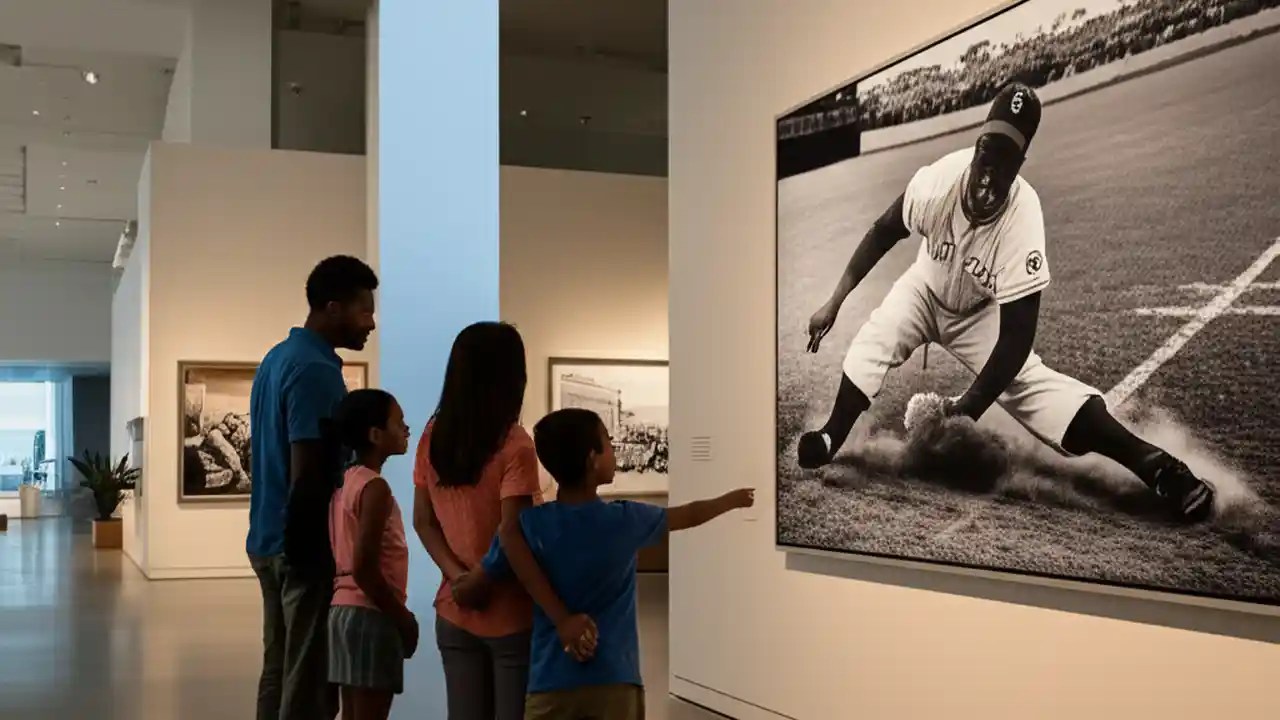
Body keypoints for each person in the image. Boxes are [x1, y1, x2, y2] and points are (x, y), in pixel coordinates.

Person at [799, 81, 1215, 522]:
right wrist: (835, 300)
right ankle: (830, 437)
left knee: (1035, 388)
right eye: (986, 154)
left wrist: (965, 410)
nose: (989, 173)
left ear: (1019, 165)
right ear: (976, 144)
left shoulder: (1023, 216)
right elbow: (884, 231)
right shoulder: (936, 182)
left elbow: (1016, 339)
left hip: (978, 316)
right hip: (923, 288)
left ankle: (1156, 465)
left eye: (1004, 162)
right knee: (876, 336)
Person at [494, 408, 754, 719]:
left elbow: (491, 568)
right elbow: (688, 514)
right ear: (593, 459)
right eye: (608, 442)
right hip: (615, 679)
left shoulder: (530, 525)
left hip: (550, 681)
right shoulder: (624, 519)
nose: (615, 450)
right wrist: (731, 500)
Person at [412, 321, 593, 720]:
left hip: (454, 606)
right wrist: (480, 579)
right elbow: (514, 531)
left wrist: (458, 576)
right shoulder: (515, 443)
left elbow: (423, 521)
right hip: (510, 612)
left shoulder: (432, 435)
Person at [247, 255, 378, 720]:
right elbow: (310, 470)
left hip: (267, 537)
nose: (372, 323)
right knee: (309, 682)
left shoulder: (277, 358)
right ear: (333, 307)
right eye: (365, 310)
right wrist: (319, 550)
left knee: (279, 667)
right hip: (300, 545)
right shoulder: (315, 369)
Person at [327, 389, 416, 720]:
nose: (406, 429)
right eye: (399, 423)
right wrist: (402, 618)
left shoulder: (345, 482)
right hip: (370, 615)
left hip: (343, 613)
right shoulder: (375, 488)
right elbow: (364, 567)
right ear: (376, 435)